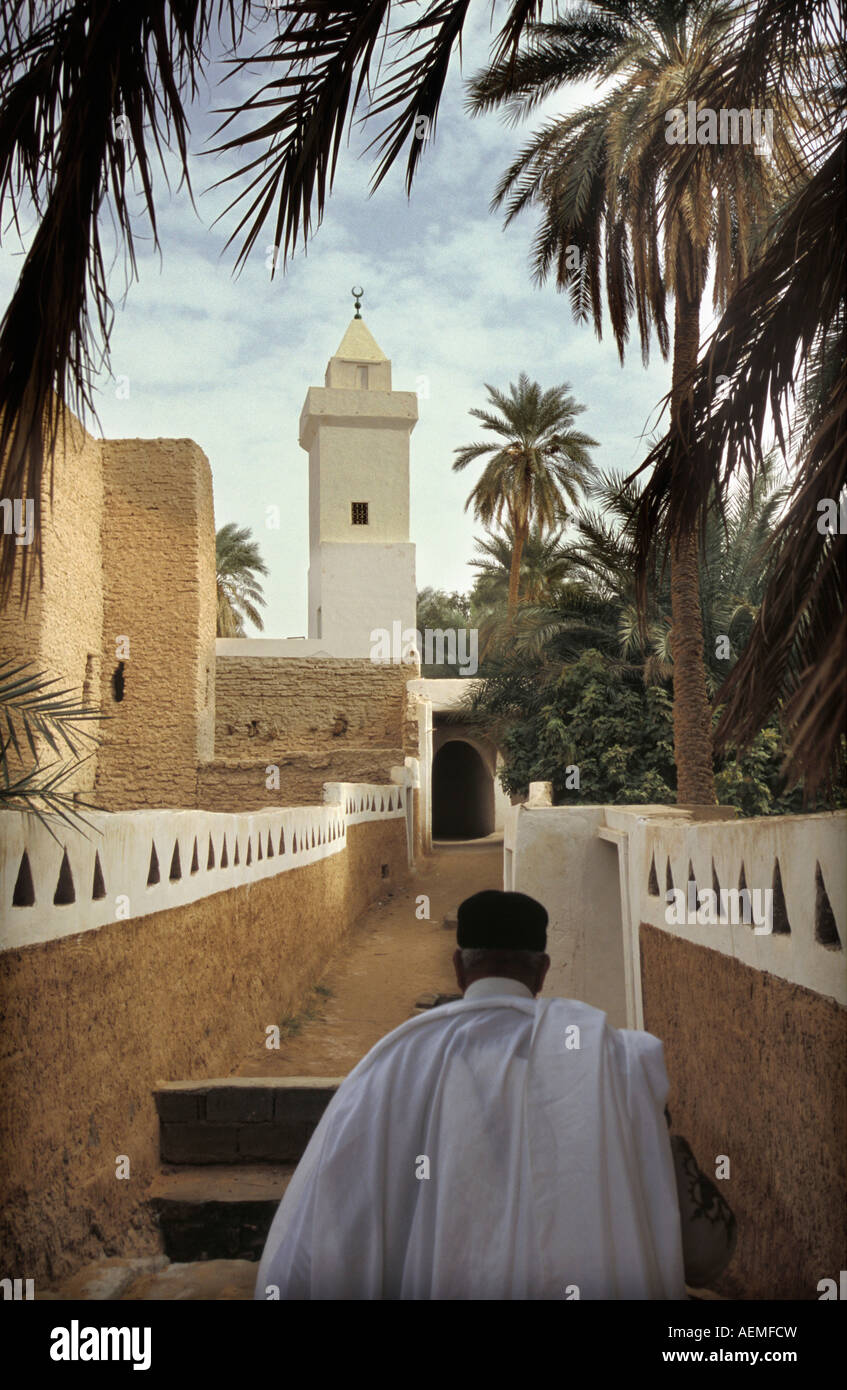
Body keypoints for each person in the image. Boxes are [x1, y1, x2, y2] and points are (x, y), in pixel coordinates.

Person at [255, 889, 736, 1300]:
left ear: (459, 969)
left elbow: (303, 1256)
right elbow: (707, 1252)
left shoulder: (389, 1064)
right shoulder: (612, 1060)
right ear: (543, 970)